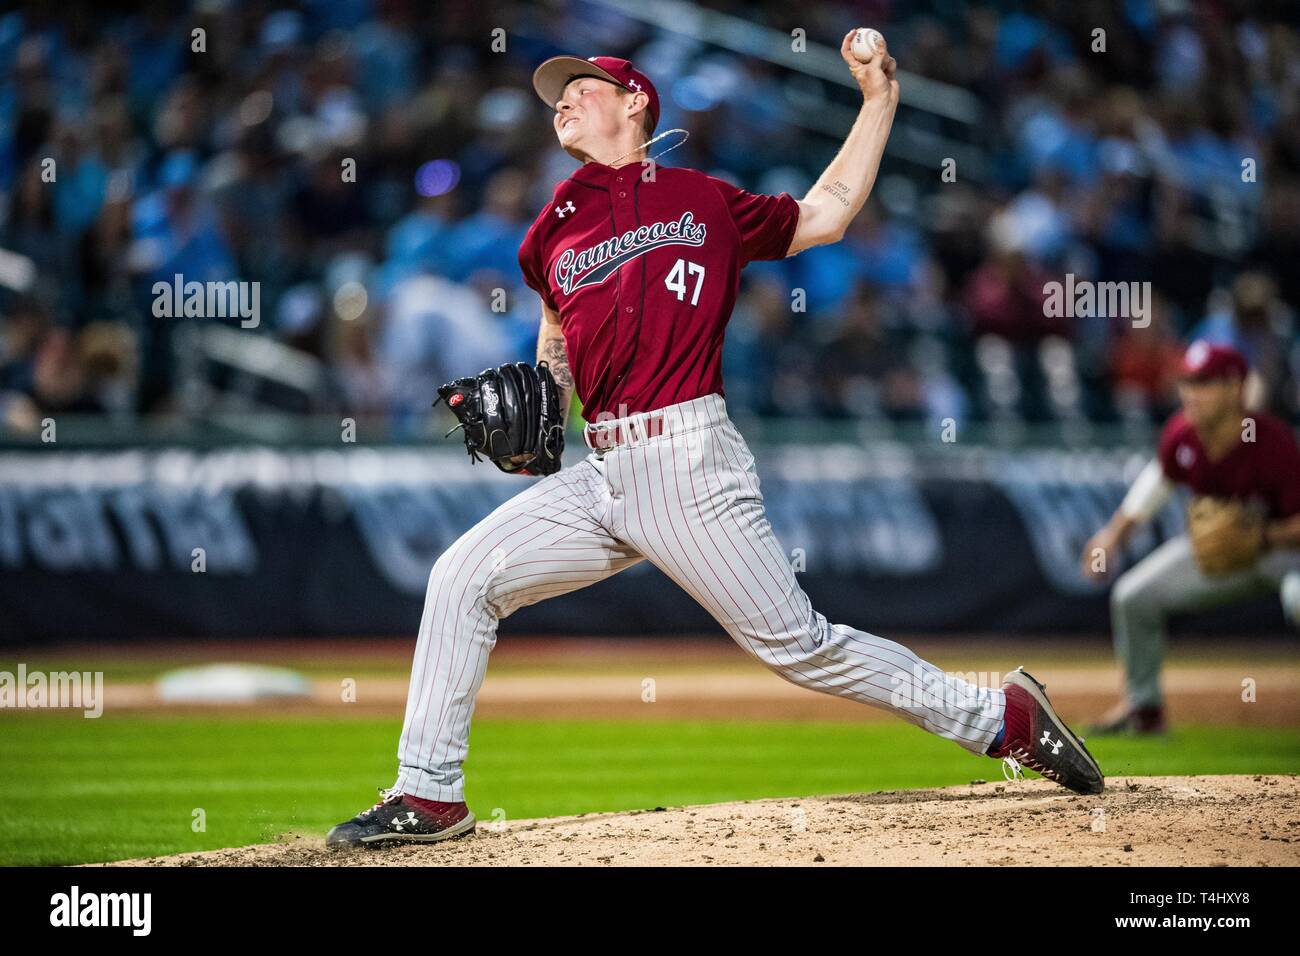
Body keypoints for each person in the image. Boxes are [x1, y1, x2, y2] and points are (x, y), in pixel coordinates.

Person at [327, 34, 1105, 849]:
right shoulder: (550, 228)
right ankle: (430, 794)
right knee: (460, 577)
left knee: (801, 647)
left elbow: (829, 212)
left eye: (582, 87)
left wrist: (878, 103)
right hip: (603, 470)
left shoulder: (702, 200)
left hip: (688, 458)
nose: (561, 98)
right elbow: (555, 340)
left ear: (636, 103)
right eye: (556, 92)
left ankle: (1000, 716)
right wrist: (541, 403)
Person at [1081, 341, 1300, 734]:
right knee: (1133, 597)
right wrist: (1112, 537)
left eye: (1204, 382)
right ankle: (1144, 710)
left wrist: (1261, 535)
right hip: (1217, 556)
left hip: (1283, 555)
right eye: (1187, 381)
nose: (1191, 392)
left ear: (1235, 386)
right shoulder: (1181, 434)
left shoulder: (1272, 440)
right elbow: (1155, 486)